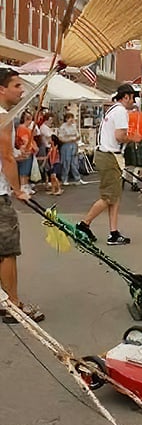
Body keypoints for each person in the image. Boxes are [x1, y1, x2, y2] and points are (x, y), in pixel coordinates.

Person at [0, 69, 44, 323]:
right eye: (17, 85)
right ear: (2, 89)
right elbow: (4, 156)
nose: (21, 90)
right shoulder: (4, 117)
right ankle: (13, 304)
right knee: (7, 251)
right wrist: (18, 189)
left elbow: (6, 154)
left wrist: (17, 156)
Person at [76, 84, 141, 245]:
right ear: (126, 97)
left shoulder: (113, 109)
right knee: (108, 197)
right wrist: (134, 138)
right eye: (133, 97)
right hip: (110, 155)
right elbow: (119, 136)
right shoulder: (120, 112)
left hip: (107, 154)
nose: (134, 101)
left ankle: (113, 232)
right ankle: (84, 224)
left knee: (115, 197)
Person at [57, 112, 86, 186]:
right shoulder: (63, 127)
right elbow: (60, 138)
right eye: (70, 118)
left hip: (74, 144)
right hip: (66, 145)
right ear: (66, 119)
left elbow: (78, 135)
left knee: (74, 162)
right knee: (66, 162)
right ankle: (64, 178)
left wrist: (76, 139)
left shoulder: (74, 126)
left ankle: (77, 178)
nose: (72, 120)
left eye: (72, 118)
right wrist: (70, 139)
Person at [16, 111, 38, 195]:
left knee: (27, 169)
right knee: (24, 169)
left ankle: (25, 185)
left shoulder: (27, 129)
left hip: (29, 151)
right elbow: (25, 140)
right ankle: (23, 185)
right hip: (26, 151)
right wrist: (33, 147)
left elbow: (30, 139)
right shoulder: (22, 128)